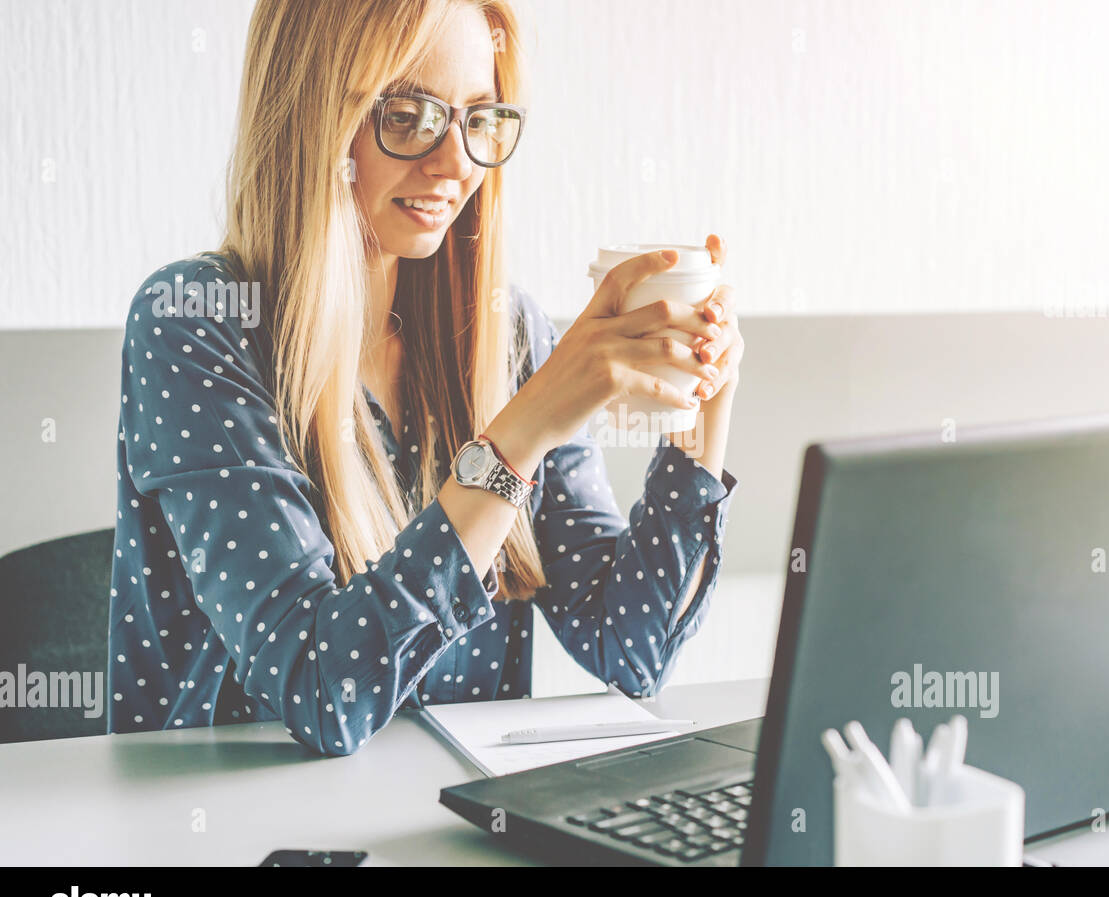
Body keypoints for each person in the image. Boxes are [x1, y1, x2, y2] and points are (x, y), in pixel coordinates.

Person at [107, 0, 742, 755]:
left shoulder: (507, 336)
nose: (455, 163)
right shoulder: (198, 324)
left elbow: (628, 649)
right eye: (406, 115)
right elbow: (322, 691)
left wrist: (702, 410)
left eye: (478, 118)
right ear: (311, 118)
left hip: (443, 824)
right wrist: (521, 436)